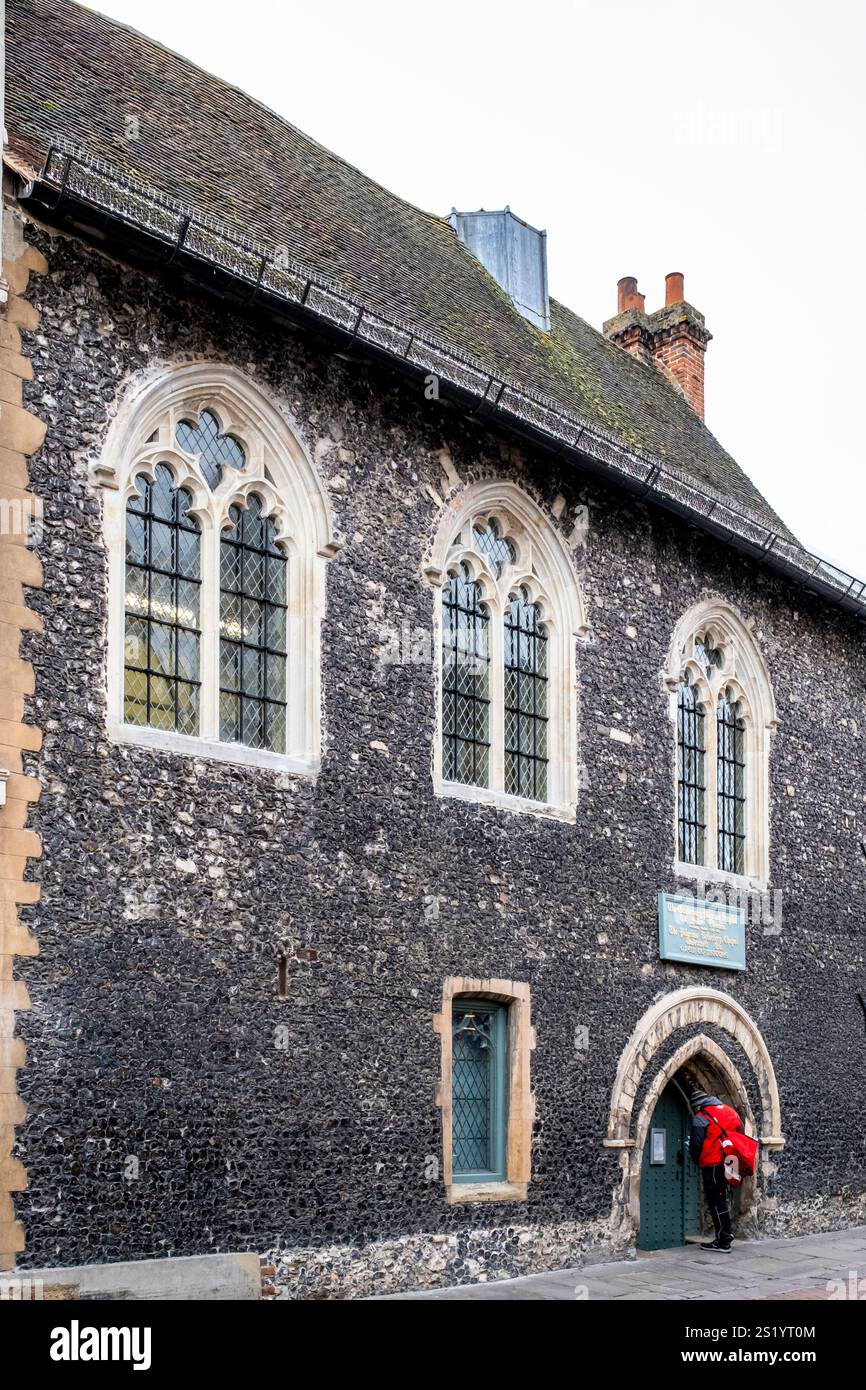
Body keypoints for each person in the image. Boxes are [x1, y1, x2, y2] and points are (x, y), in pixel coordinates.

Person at [688, 1086, 742, 1251]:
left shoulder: (701, 1117)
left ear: (697, 1105)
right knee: (723, 1199)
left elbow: (696, 1144)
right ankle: (726, 1233)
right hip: (730, 1161)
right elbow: (740, 1132)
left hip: (712, 1163)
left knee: (715, 1201)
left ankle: (723, 1239)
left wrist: (697, 1159)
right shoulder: (731, 1111)